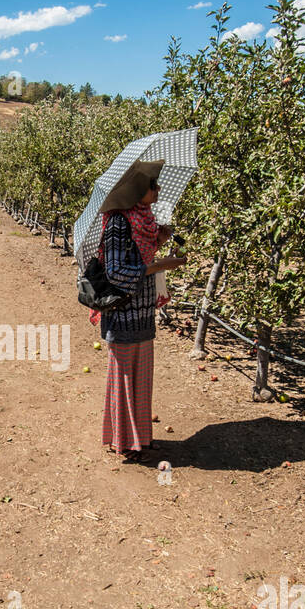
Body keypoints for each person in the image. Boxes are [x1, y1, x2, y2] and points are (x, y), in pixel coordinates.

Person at [90, 164, 186, 461]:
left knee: (142, 377)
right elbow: (117, 272)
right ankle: (122, 440)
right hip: (122, 312)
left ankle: (141, 438)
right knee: (123, 378)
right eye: (152, 185)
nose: (157, 190)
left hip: (143, 311)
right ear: (136, 190)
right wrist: (161, 266)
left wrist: (160, 240)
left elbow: (139, 256)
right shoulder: (119, 222)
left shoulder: (145, 219)